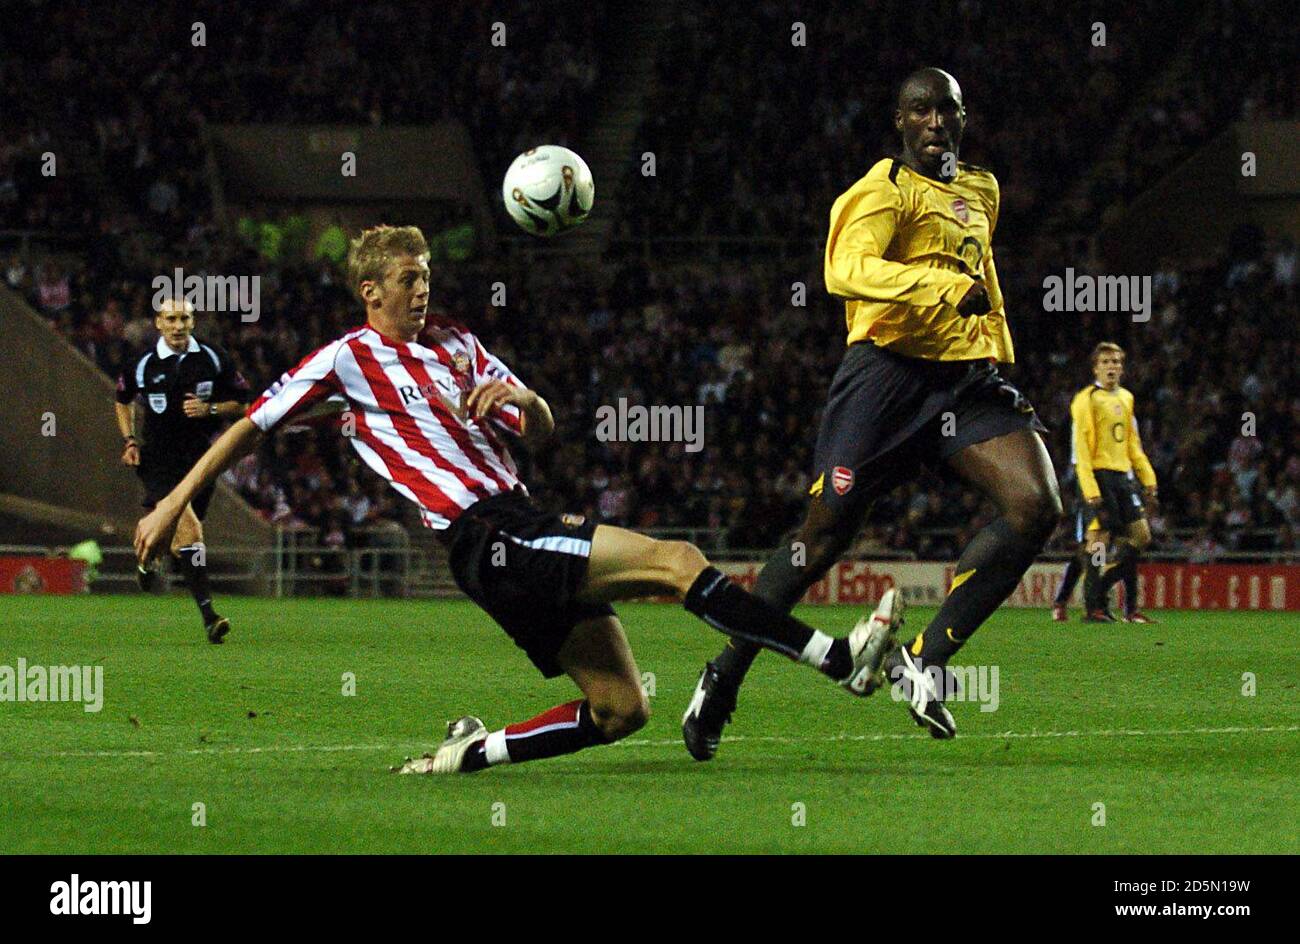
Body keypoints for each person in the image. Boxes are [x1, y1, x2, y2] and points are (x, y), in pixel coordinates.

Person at [134, 225, 902, 775]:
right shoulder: (348, 359)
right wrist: (172, 502)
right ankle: (842, 660)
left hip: (511, 528)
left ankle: (471, 753)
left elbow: (537, 425)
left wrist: (523, 396)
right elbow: (251, 426)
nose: (423, 286)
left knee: (620, 710)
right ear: (371, 290)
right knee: (677, 562)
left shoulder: (459, 343)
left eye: (428, 272)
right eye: (409, 277)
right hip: (485, 532)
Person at [683, 67, 1062, 759]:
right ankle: (723, 677)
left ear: (962, 118)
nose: (934, 122)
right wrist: (940, 287)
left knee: (1037, 505)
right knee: (820, 540)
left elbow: (979, 273)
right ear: (900, 121)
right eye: (920, 110)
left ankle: (923, 660)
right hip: (885, 380)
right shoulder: (881, 189)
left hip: (966, 380)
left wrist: (988, 335)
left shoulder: (982, 189)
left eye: (946, 110)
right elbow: (846, 271)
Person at [116, 297, 249, 642]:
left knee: (175, 540)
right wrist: (130, 440)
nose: (178, 326)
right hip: (158, 461)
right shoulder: (142, 363)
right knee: (188, 529)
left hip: (202, 460)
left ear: (193, 322)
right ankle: (210, 617)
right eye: (171, 319)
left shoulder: (213, 358)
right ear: (158, 323)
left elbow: (244, 404)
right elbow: (122, 399)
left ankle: (146, 561)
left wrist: (211, 408)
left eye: (184, 319)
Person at [1053, 342, 1159, 623]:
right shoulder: (1085, 399)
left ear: (1122, 368)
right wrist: (1090, 490)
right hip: (1098, 477)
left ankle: (1099, 592)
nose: (1112, 367)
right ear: (1095, 367)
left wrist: (1148, 478)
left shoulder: (1126, 398)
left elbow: (1133, 444)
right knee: (1096, 543)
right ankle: (1094, 608)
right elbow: (1083, 451)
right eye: (1106, 362)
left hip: (1123, 477)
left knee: (1140, 536)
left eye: (1116, 362)